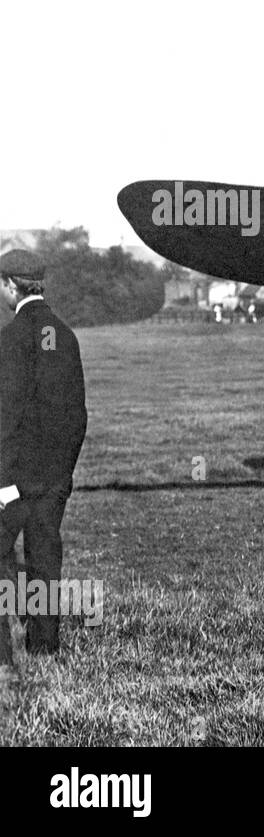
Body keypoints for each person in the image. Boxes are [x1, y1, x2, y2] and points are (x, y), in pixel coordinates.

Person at [0, 250, 87, 677]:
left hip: (14, 480)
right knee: (44, 556)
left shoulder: (12, 337)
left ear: (11, 286)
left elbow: (7, 414)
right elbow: (76, 416)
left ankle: (2, 653)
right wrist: (62, 473)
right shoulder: (65, 336)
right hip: (53, 478)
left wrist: (4, 480)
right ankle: (45, 647)